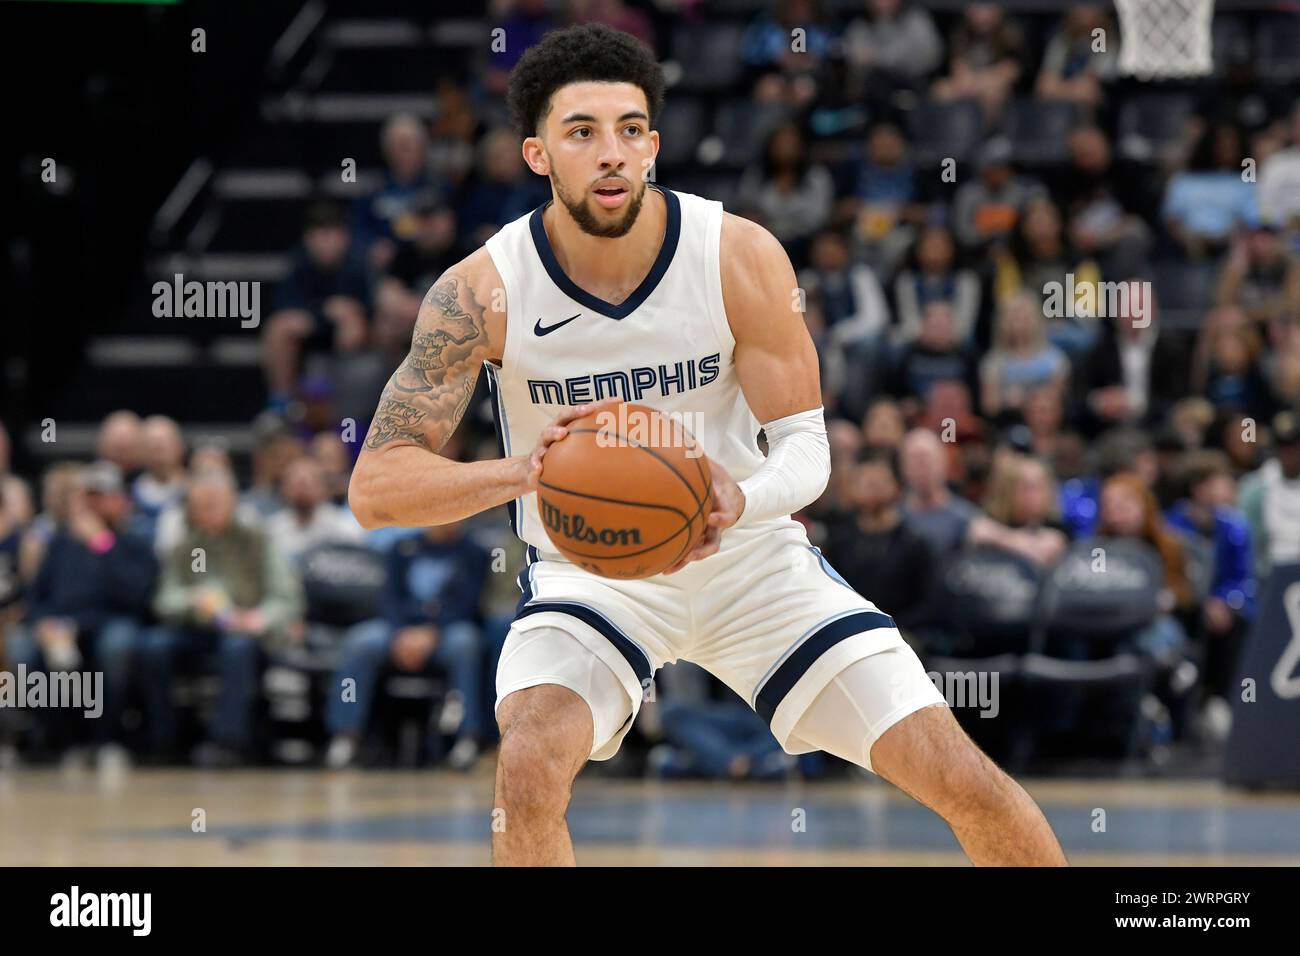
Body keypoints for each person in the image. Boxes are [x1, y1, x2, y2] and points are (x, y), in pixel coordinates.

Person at [347, 24, 1066, 867]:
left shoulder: (736, 253)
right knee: (530, 762)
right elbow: (377, 490)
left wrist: (739, 496)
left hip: (751, 560)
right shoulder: (480, 290)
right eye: (581, 132)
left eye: (629, 130)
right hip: (591, 576)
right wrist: (525, 473)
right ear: (537, 154)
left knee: (962, 778)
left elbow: (808, 451)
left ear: (652, 143)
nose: (610, 153)